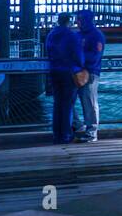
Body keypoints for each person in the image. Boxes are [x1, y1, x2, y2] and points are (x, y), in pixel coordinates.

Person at [44, 13, 86, 144]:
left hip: (54, 71)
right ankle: (66, 135)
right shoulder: (71, 35)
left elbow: (48, 51)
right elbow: (79, 55)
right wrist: (81, 66)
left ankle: (57, 133)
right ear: (69, 21)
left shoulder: (51, 34)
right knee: (68, 104)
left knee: (58, 103)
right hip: (68, 72)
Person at [73, 9, 106, 141]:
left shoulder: (96, 35)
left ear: (86, 20)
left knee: (89, 102)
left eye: (79, 19)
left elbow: (95, 55)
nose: (77, 21)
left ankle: (91, 132)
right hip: (78, 72)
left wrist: (79, 58)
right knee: (73, 101)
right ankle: (80, 126)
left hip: (90, 72)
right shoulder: (81, 35)